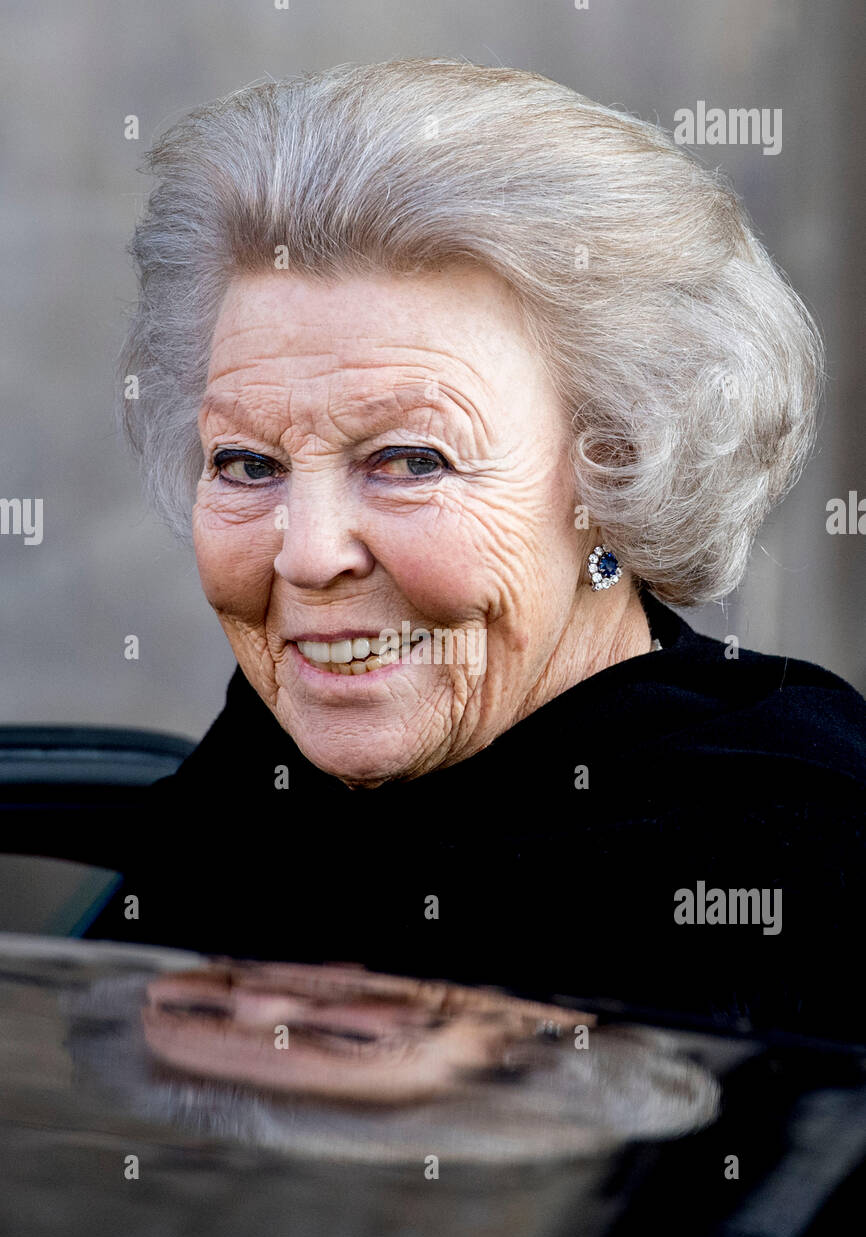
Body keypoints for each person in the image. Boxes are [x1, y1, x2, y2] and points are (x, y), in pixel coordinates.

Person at [84, 58, 866, 1043]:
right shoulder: (275, 760)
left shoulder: (781, 853)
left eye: (409, 460)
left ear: (611, 474)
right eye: (247, 463)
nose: (308, 556)